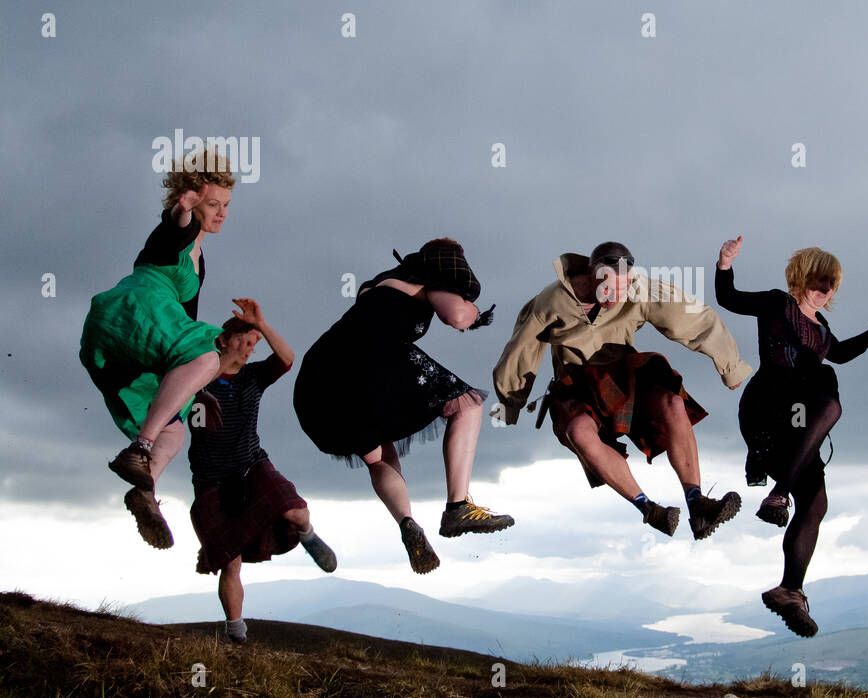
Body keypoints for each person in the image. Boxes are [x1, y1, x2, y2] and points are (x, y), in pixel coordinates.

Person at [493, 242, 751, 539]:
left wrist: (729, 364)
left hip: (622, 373)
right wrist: (508, 405)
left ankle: (698, 505)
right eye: (608, 290)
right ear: (591, 275)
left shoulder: (640, 289)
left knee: (671, 401)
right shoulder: (552, 301)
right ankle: (649, 510)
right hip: (575, 383)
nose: (616, 297)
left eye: (623, 288)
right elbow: (520, 352)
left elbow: (694, 318)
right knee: (578, 432)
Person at [714, 235, 868, 636]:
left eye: (831, 283)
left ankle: (789, 590)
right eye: (820, 281)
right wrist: (725, 264)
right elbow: (729, 300)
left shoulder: (822, 327)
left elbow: (841, 353)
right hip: (769, 407)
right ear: (802, 278)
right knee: (829, 401)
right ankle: (778, 493)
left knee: (816, 504)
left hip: (801, 422)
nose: (826, 289)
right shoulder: (777, 303)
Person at [293, 238, 513, 574]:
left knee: (380, 456)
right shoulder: (429, 280)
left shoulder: (382, 282)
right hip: (370, 358)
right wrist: (473, 313)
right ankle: (458, 506)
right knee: (467, 404)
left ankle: (408, 523)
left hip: (322, 376)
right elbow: (455, 315)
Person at [79, 151, 235, 549]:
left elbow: (183, 337)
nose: (221, 213)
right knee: (211, 352)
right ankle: (139, 449)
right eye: (213, 204)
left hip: (124, 337)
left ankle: (144, 492)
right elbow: (175, 227)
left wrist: (197, 389)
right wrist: (183, 208)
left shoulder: (200, 262)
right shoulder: (174, 233)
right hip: (132, 310)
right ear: (192, 199)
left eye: (225, 206)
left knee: (176, 430)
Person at [188, 300, 337, 644]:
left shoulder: (254, 377)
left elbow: (287, 358)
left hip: (252, 464)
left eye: (255, 344)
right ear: (223, 339)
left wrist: (262, 324)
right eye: (245, 339)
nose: (251, 348)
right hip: (211, 479)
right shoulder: (195, 377)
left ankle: (308, 535)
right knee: (230, 561)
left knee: (296, 512)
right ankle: (235, 631)